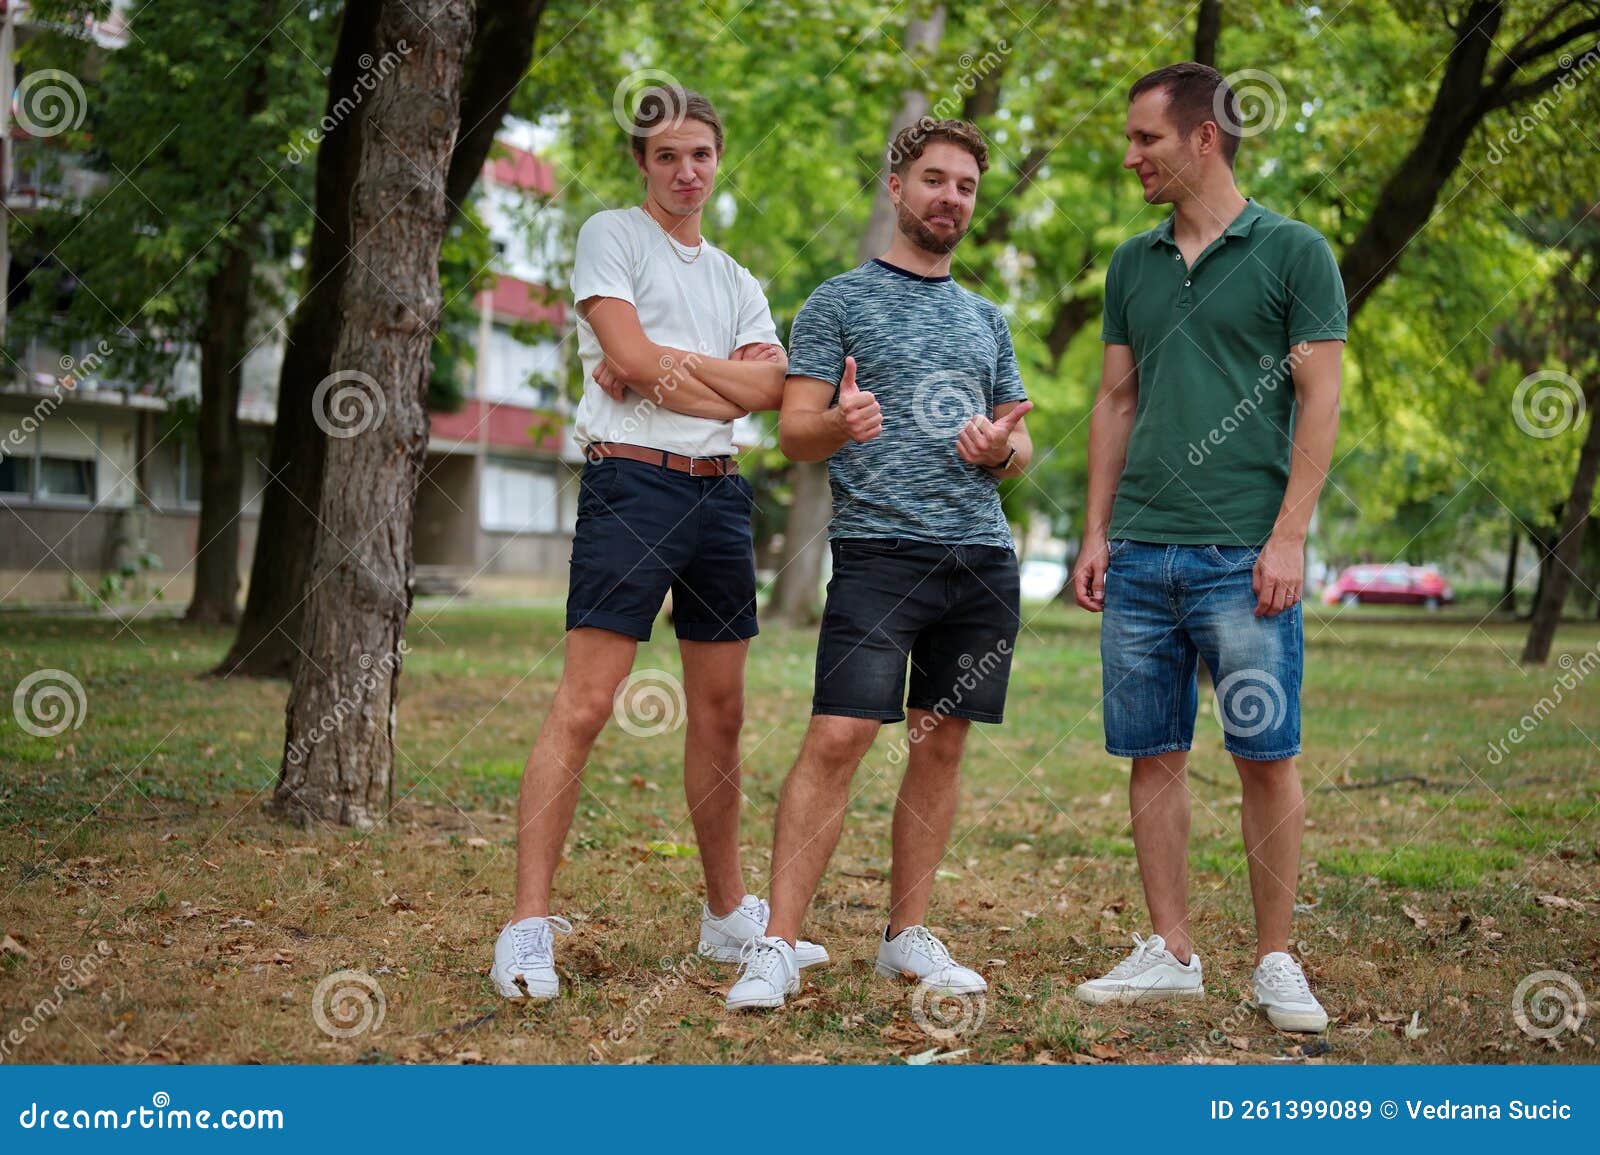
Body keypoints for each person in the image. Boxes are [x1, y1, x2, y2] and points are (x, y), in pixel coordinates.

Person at [492, 86, 825, 1000]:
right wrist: (684, 377)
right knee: (588, 702)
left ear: (719, 163)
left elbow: (772, 393)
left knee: (722, 715)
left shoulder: (737, 278)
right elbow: (638, 367)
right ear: (642, 163)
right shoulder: (612, 234)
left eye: (702, 156)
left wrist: (670, 373)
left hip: (720, 499)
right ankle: (525, 929)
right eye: (668, 156)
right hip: (631, 483)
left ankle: (727, 917)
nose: (686, 172)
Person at [724, 119, 1033, 1011]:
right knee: (839, 736)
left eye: (966, 186)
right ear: (897, 188)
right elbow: (792, 432)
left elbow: (1018, 448)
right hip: (878, 553)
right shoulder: (836, 302)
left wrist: (995, 452)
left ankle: (907, 934)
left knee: (940, 744)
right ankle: (778, 942)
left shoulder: (988, 319)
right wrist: (841, 422)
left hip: (979, 557)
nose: (950, 198)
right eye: (934, 179)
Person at [1070, 63, 1347, 1033]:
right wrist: (1096, 530)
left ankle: (1274, 958)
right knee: (1152, 752)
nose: (1131, 156)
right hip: (1143, 549)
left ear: (1202, 139)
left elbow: (1320, 397)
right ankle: (1170, 949)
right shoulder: (1130, 264)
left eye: (1145, 138)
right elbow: (1114, 399)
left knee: (1263, 755)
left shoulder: (1293, 253)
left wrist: (1288, 536)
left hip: (1244, 554)